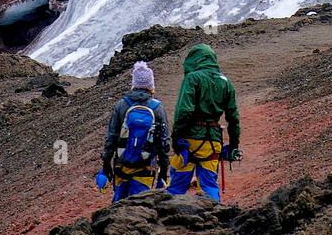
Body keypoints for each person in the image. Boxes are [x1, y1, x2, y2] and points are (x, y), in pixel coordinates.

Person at [167, 43, 241, 202]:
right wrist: (234, 145)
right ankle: (214, 219)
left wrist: (176, 138)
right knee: (209, 186)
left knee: (177, 186)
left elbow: (184, 111)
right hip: (213, 143)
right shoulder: (226, 82)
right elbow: (233, 117)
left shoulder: (192, 78)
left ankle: (170, 221)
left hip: (189, 142)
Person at [100, 60, 170, 202]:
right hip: (146, 166)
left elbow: (111, 137)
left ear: (134, 84)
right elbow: (164, 141)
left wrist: (106, 162)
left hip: (122, 165)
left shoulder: (121, 105)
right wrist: (164, 168)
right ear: (151, 86)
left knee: (119, 204)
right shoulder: (157, 108)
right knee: (141, 207)